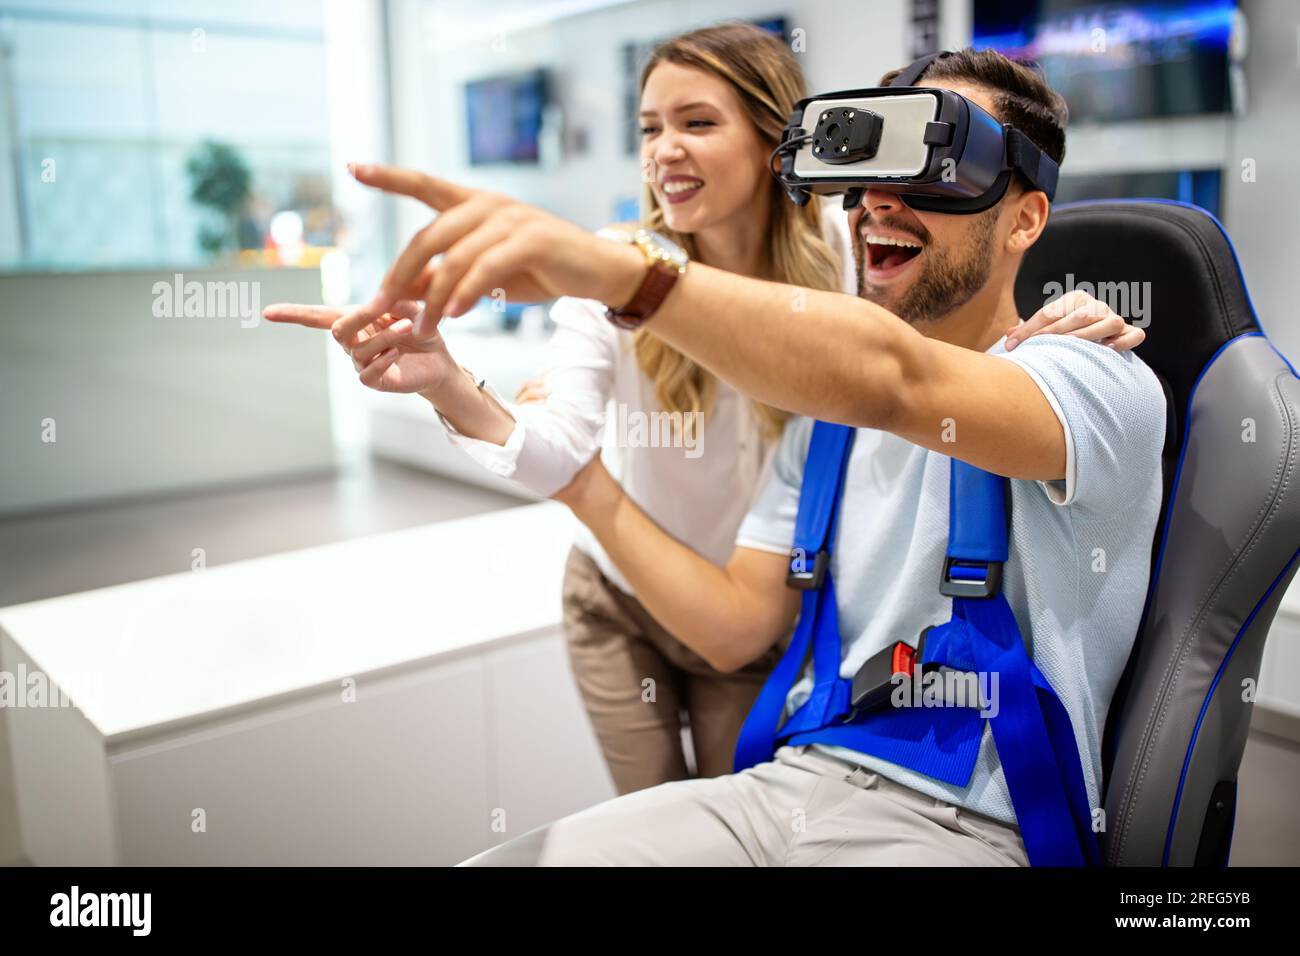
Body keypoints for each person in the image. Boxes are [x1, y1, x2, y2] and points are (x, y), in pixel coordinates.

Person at [327, 45, 1166, 866]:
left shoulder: (1095, 379)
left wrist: (621, 273)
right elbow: (734, 630)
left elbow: (893, 376)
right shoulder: (821, 428)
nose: (879, 202)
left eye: (934, 171)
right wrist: (571, 475)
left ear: (1025, 217)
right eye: (869, 171)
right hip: (784, 788)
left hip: (971, 824)